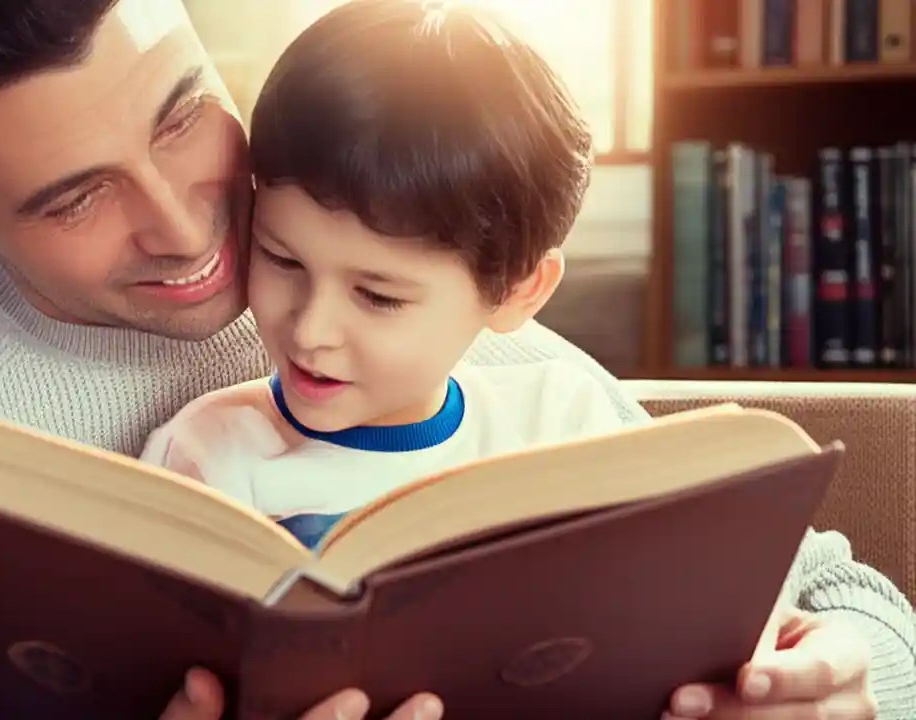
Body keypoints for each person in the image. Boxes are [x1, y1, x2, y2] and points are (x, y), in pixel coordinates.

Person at [0, 1, 906, 719]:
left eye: (182, 112)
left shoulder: (384, 257)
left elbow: (839, 606)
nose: (198, 232)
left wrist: (836, 688)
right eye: (76, 197)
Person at [139, 0, 629, 553]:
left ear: (518, 290)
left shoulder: (562, 423)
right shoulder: (208, 455)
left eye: (376, 296)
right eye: (282, 259)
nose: (310, 331)